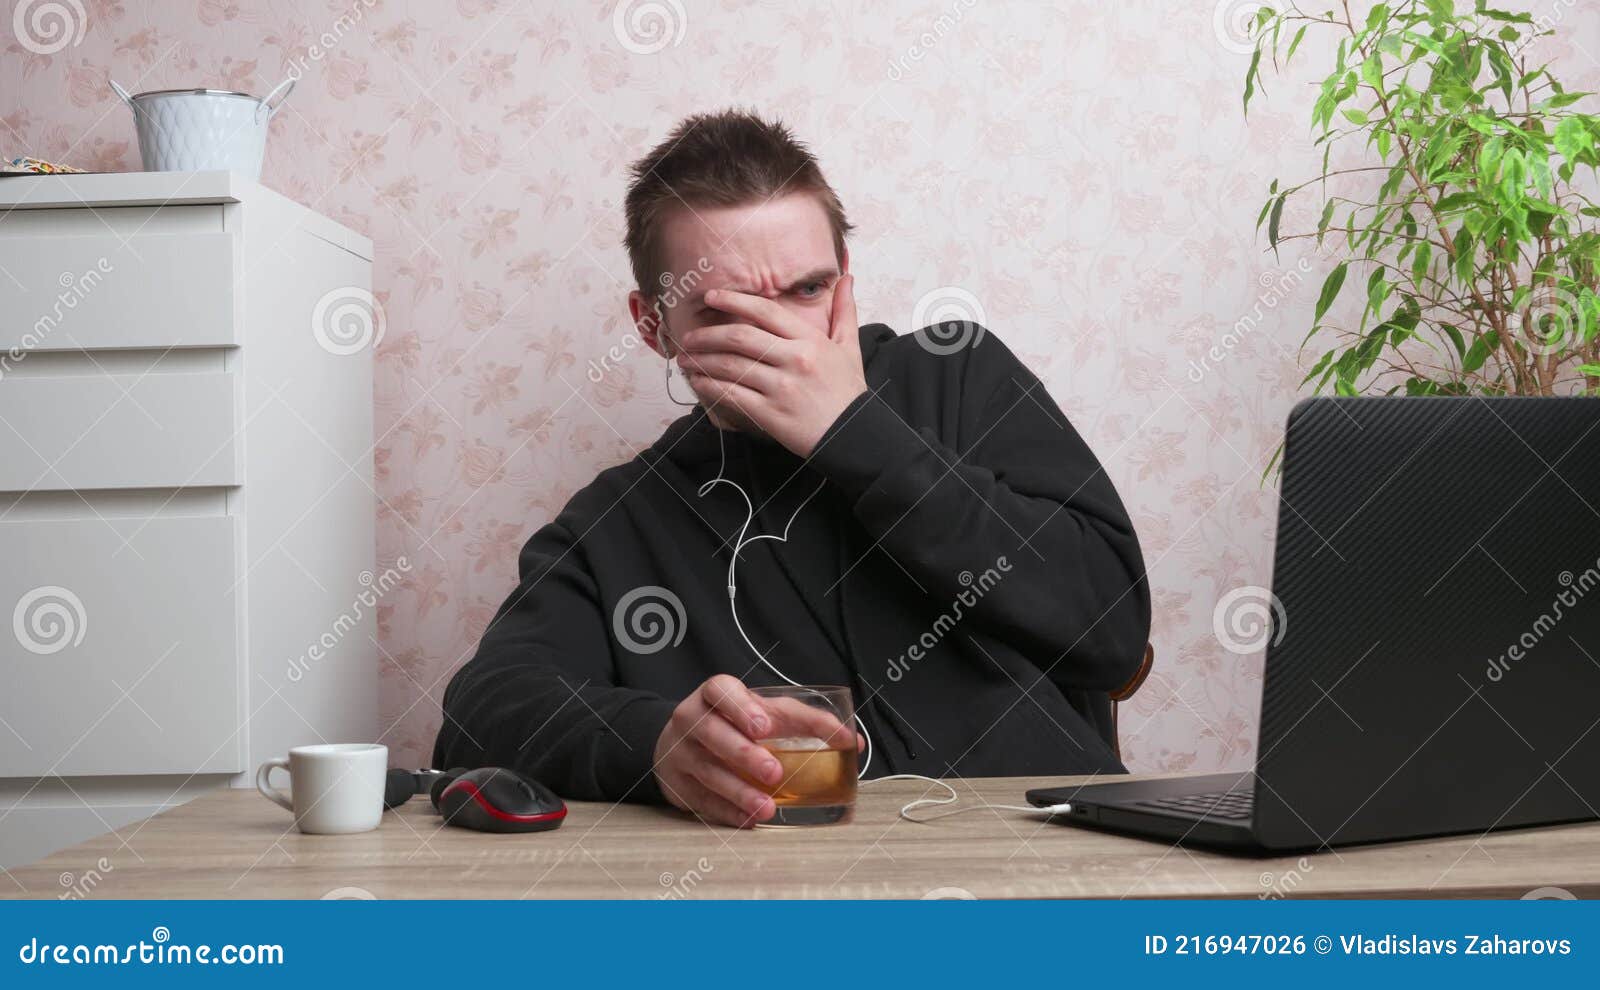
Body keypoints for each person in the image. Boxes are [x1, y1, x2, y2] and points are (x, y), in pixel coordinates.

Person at [432, 108, 1150, 828]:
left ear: (844, 282)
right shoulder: (618, 520)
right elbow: (483, 710)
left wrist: (858, 433)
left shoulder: (956, 377)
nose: (781, 339)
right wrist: (653, 743)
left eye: (807, 291)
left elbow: (1113, 634)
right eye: (727, 311)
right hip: (793, 873)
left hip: (1045, 852)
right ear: (653, 327)